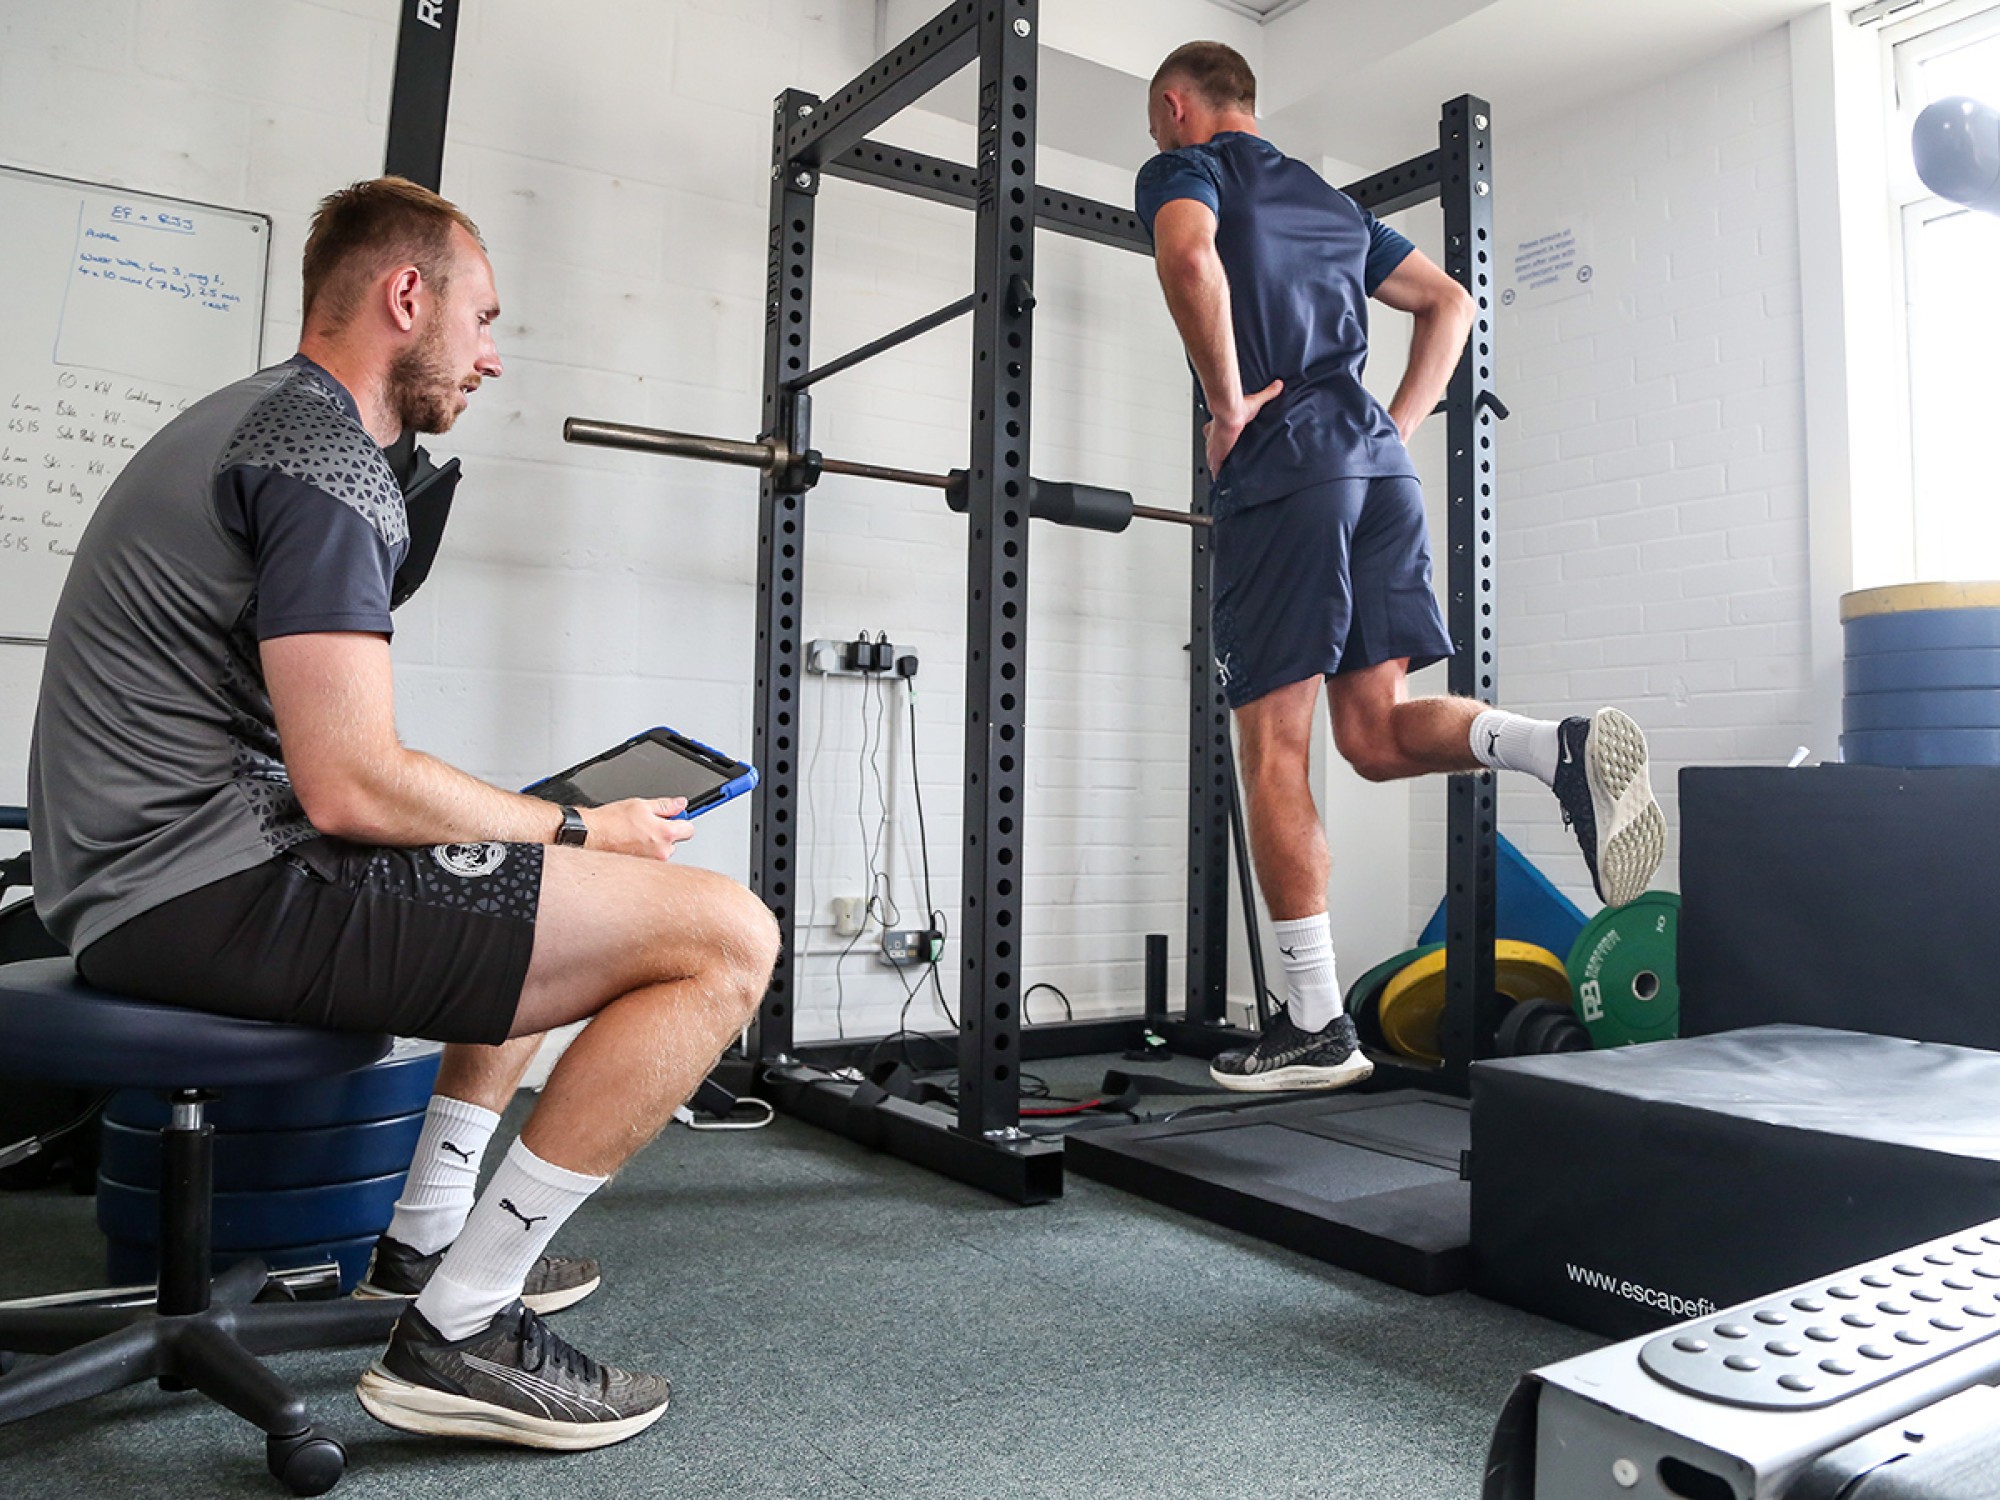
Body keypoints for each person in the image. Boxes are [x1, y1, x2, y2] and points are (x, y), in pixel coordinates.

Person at [28, 177, 780, 1450]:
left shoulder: (263, 424)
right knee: (724, 936)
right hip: (196, 888)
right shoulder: (321, 455)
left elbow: (340, 774)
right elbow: (352, 783)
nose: (490, 357)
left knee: (507, 866)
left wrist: (534, 837)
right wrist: (583, 829)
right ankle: (463, 1331)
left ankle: (425, 1243)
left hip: (151, 878)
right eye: (482, 319)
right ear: (406, 295)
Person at [1136, 44, 1665, 1094]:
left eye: (1162, 121)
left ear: (1175, 107)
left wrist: (1228, 401)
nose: (1161, 135)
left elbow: (1188, 260)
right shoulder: (1330, 204)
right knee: (1371, 739)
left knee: (1273, 754)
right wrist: (1397, 426)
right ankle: (1550, 750)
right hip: (1377, 473)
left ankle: (1314, 1022)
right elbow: (1449, 301)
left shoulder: (1185, 170)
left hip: (1282, 471)